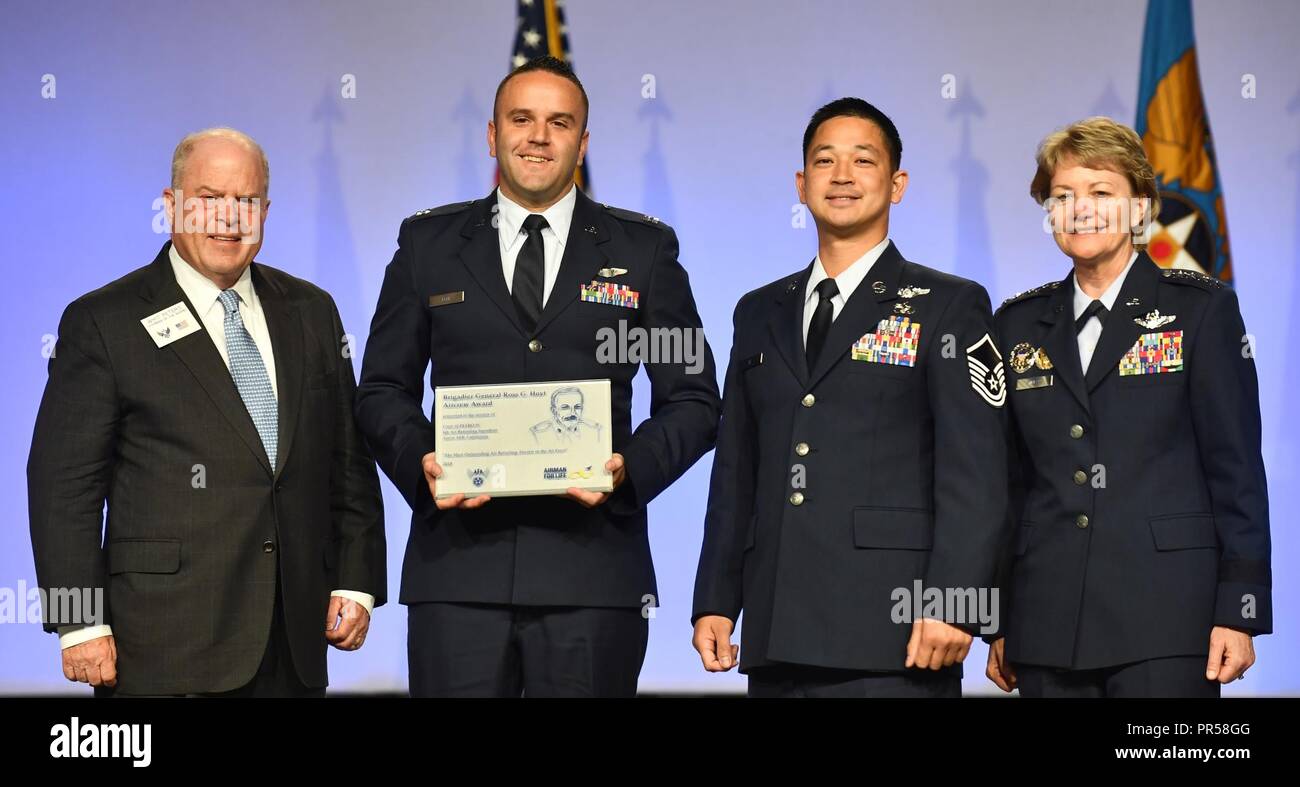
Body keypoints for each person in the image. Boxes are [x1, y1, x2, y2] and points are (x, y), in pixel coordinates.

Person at [355, 56, 721, 697]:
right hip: (458, 573)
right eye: (521, 119)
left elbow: (693, 399)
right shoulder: (427, 246)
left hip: (594, 575)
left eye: (559, 122)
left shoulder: (643, 252)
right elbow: (382, 389)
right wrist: (422, 462)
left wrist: (626, 470)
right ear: (492, 135)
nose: (538, 136)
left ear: (583, 141)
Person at [28, 127, 386, 696]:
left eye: (245, 201)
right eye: (210, 199)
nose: (228, 218)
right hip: (163, 644)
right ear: (171, 205)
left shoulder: (313, 312)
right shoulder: (104, 321)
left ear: (266, 211)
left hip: (291, 643)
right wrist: (79, 622)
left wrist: (357, 580)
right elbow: (62, 486)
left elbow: (348, 459)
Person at [691, 98, 1008, 697]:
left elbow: (977, 474)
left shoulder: (949, 304)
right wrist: (715, 599)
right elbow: (737, 468)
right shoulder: (759, 310)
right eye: (824, 161)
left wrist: (957, 602)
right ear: (801, 183)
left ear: (897, 184)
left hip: (896, 635)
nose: (841, 176)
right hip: (777, 628)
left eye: (863, 161)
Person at [985, 116, 1270, 697]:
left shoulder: (1201, 313)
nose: (1080, 209)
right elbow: (1006, 484)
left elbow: (1236, 469)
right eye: (1062, 196)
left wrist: (1239, 610)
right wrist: (1000, 614)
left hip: (1168, 620)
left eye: (1101, 192)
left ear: (1141, 208)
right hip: (1046, 621)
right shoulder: (1016, 324)